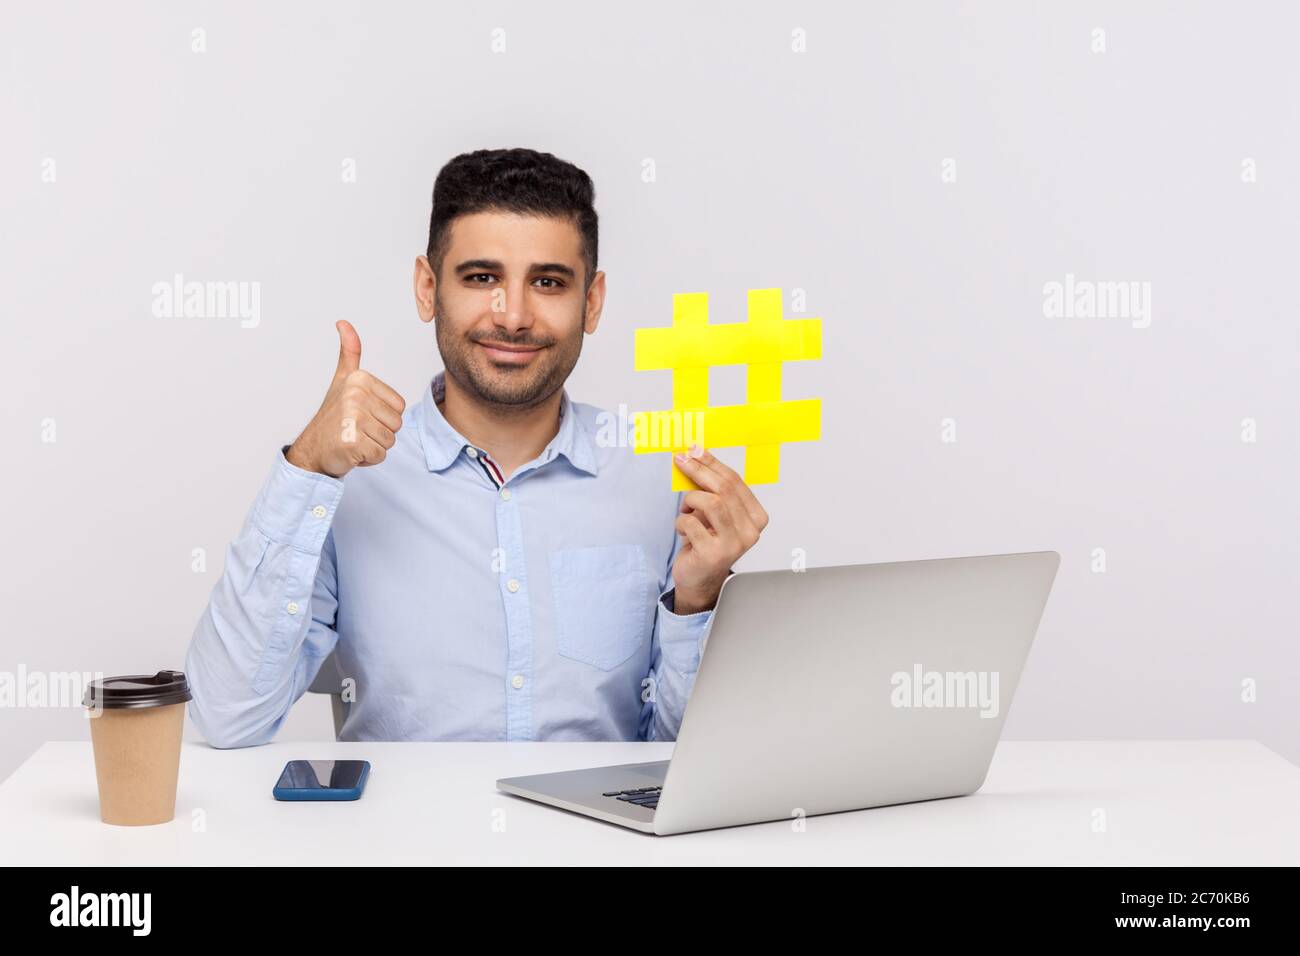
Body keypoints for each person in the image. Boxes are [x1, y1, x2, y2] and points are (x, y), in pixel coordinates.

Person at [184, 147, 768, 747]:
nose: (512, 316)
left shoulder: (658, 478)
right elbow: (229, 716)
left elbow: (675, 764)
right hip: (400, 839)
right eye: (482, 278)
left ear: (590, 302)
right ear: (427, 287)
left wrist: (698, 600)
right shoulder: (349, 479)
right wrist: (306, 467)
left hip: (593, 840)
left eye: (547, 282)